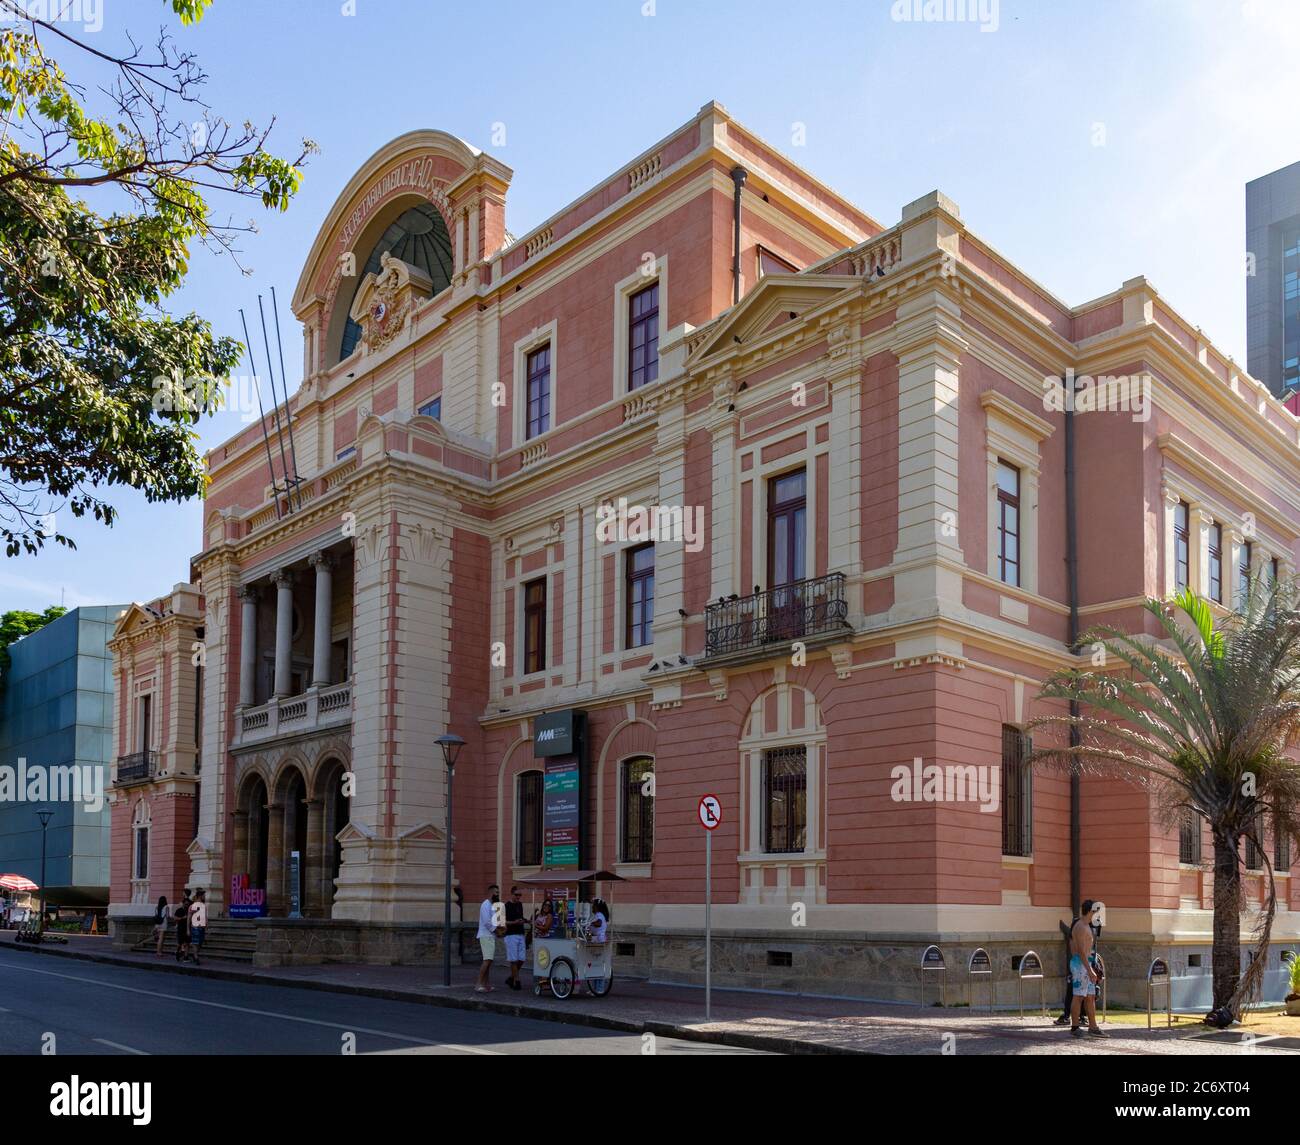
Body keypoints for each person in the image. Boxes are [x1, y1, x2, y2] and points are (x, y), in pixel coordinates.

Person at [1068, 900, 1109, 1038]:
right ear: (1091, 911)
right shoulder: (1079, 926)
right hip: (1080, 964)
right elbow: (1080, 950)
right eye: (1095, 912)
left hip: (1087, 963)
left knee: (1090, 997)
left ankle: (1093, 1027)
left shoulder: (1087, 925)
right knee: (1079, 995)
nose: (1096, 915)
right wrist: (1089, 969)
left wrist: (1092, 967)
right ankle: (1075, 1027)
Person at [475, 883, 500, 993]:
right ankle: (479, 984)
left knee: (489, 961)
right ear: (491, 893)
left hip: (490, 936)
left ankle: (486, 984)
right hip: (486, 935)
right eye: (496, 892)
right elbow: (487, 922)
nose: (498, 894)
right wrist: (497, 930)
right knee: (487, 960)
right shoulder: (485, 905)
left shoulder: (492, 905)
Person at [503, 886, 527, 991]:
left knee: (521, 959)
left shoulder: (520, 905)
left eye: (520, 895)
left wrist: (525, 920)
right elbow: (502, 922)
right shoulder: (505, 906)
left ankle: (511, 977)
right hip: (510, 935)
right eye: (516, 895)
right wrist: (514, 922)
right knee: (513, 959)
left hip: (521, 933)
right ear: (511, 894)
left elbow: (520, 917)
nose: (518, 897)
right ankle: (517, 981)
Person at [188, 889, 207, 966]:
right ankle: (196, 957)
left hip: (202, 926)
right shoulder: (192, 906)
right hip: (195, 926)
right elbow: (189, 918)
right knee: (195, 942)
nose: (204, 897)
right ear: (200, 896)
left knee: (200, 942)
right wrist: (187, 929)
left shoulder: (203, 906)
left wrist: (206, 924)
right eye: (204, 896)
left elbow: (205, 916)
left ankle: (195, 954)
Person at [173, 894, 191, 962]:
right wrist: (181, 918)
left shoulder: (189, 910)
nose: (187, 905)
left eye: (188, 904)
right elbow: (175, 918)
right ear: (183, 903)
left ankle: (186, 957)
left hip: (187, 929)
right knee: (179, 943)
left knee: (187, 943)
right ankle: (177, 952)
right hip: (180, 929)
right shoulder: (179, 910)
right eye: (186, 904)